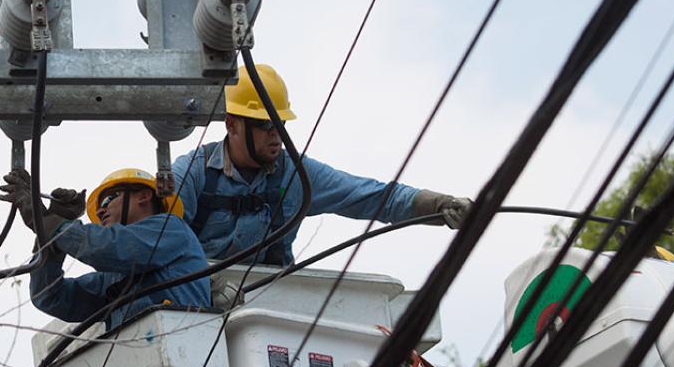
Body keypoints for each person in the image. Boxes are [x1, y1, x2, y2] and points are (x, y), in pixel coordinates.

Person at [173, 64, 473, 266]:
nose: (276, 135)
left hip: (268, 305)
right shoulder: (195, 173)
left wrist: (439, 206)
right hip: (199, 304)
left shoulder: (295, 175)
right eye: (266, 125)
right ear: (232, 125)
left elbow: (372, 196)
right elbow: (158, 235)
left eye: (281, 123)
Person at [0, 168, 212, 330]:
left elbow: (108, 247)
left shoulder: (171, 230)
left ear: (144, 196)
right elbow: (49, 297)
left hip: (183, 346)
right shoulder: (112, 278)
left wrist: (51, 222)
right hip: (140, 364)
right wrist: (49, 240)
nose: (100, 211)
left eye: (109, 199)